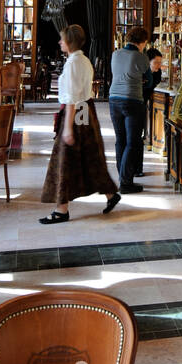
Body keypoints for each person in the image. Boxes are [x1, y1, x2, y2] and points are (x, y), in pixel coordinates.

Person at [39, 25, 120, 223]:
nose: (59, 42)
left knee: (64, 160)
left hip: (76, 115)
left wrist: (67, 128)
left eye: (62, 39)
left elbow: (72, 99)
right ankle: (110, 194)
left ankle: (61, 209)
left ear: (69, 42)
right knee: (89, 156)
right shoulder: (83, 60)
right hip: (85, 112)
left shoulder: (74, 63)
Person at [108, 26, 151, 193]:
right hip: (132, 100)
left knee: (120, 140)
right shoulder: (141, 57)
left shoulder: (115, 54)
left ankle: (123, 177)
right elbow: (148, 78)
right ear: (142, 42)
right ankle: (125, 183)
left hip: (114, 100)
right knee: (132, 142)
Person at [134, 47, 164, 178]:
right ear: (148, 62)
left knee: (139, 137)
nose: (159, 65)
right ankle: (134, 168)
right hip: (135, 104)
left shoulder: (157, 73)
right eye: (156, 62)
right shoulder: (140, 73)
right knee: (135, 138)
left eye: (160, 62)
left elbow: (153, 84)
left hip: (142, 105)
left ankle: (137, 168)